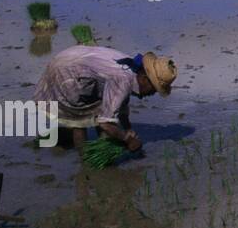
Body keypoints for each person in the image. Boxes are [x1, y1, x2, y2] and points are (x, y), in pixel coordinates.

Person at [33, 45, 177, 152]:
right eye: (154, 89)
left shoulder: (132, 69)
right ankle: (85, 160)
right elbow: (106, 124)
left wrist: (127, 128)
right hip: (67, 72)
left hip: (71, 57)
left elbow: (120, 102)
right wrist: (127, 139)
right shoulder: (122, 81)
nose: (152, 94)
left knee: (101, 111)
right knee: (78, 121)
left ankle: (99, 147)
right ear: (145, 79)